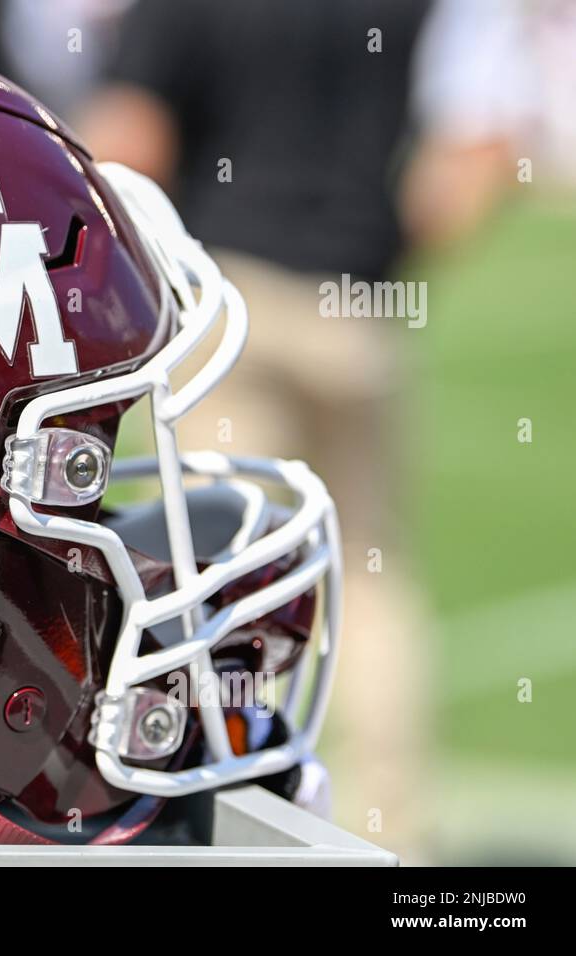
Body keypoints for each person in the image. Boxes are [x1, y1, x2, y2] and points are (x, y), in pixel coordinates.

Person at [77, 0, 432, 858]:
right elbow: (461, 159)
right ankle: (399, 833)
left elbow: (133, 144)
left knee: (208, 575)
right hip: (358, 303)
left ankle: (218, 811)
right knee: (368, 574)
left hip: (229, 302)